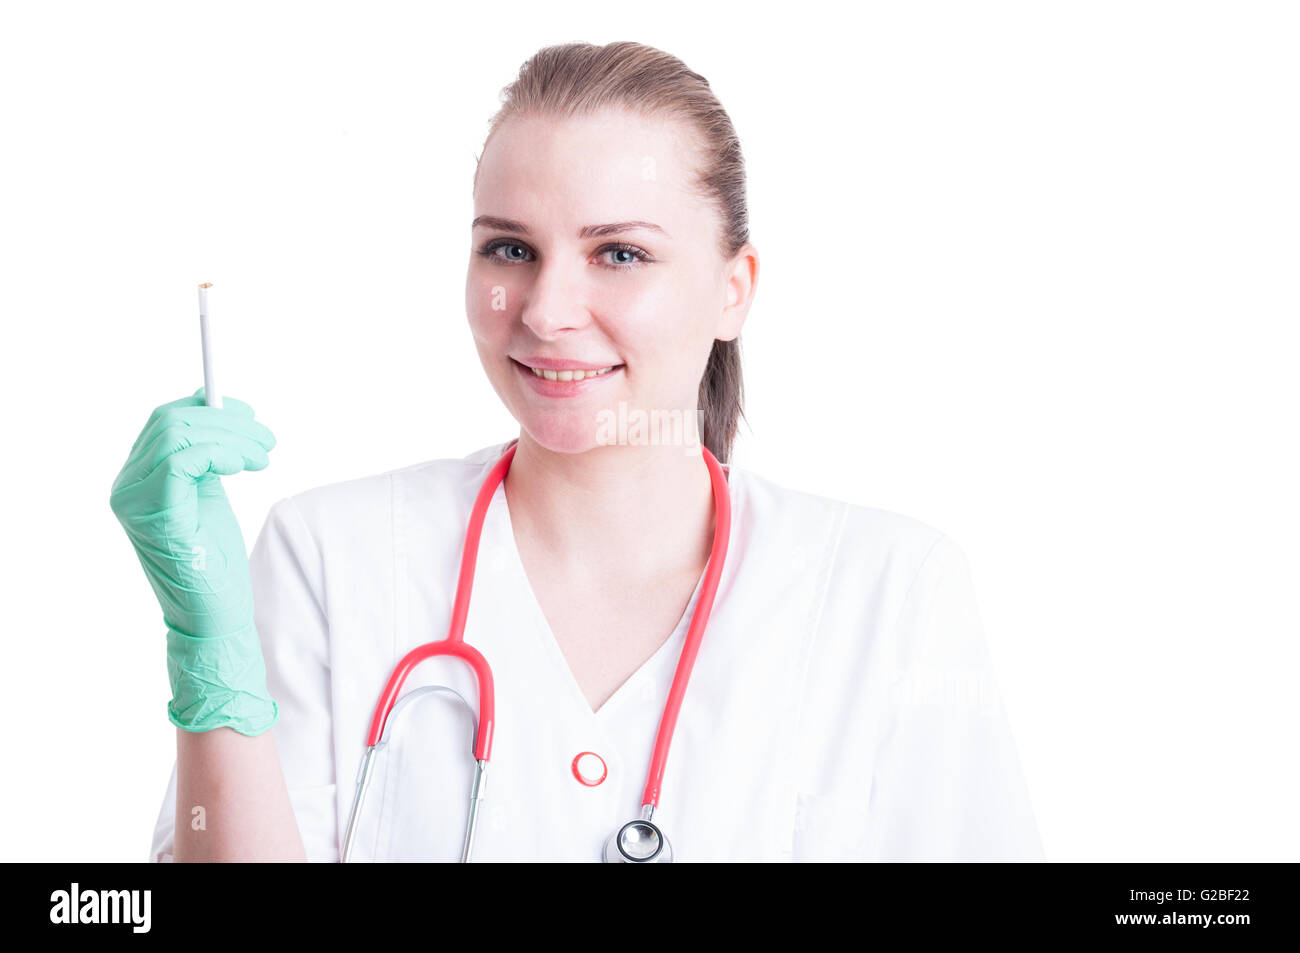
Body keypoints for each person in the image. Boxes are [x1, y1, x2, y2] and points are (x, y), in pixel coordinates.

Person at [110, 40, 1044, 862]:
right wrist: (211, 658)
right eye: (509, 249)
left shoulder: (889, 591)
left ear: (734, 289)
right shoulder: (331, 558)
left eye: (621, 254)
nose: (548, 311)